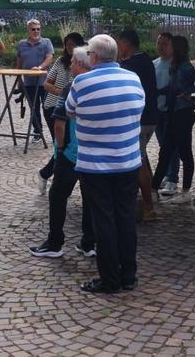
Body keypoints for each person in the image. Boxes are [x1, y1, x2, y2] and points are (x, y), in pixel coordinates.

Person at [67, 34, 144, 294]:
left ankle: (110, 279)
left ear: (94, 56)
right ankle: (129, 275)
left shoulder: (82, 82)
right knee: (126, 218)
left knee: (104, 221)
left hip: (95, 166)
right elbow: (139, 108)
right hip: (128, 162)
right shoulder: (133, 78)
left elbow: (70, 110)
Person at [29, 46, 96, 258]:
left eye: (73, 61)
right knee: (89, 198)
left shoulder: (71, 87)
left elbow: (60, 123)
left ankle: (54, 243)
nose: (71, 64)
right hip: (91, 152)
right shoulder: (98, 85)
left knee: (58, 196)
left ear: (80, 64)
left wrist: (59, 148)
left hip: (70, 153)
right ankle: (89, 243)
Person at [152, 35, 195, 203]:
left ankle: (185, 191)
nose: (165, 47)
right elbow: (171, 87)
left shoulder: (185, 67)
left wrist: (187, 92)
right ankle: (154, 189)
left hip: (183, 114)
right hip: (172, 113)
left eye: (169, 45)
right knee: (165, 152)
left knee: (184, 152)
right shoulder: (175, 66)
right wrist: (158, 91)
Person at [116, 29, 158, 220]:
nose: (117, 48)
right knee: (141, 156)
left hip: (139, 120)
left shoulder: (130, 65)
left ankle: (148, 206)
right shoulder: (146, 60)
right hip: (149, 117)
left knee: (138, 160)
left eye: (118, 44)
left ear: (126, 44)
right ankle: (150, 195)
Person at [36, 33, 85, 195]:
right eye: (67, 44)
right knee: (61, 144)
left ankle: (48, 174)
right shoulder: (61, 61)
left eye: (73, 44)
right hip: (54, 107)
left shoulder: (85, 62)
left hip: (74, 111)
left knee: (66, 146)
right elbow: (47, 84)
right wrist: (62, 93)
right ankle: (57, 179)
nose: (70, 47)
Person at [16, 18, 54, 143]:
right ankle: (37, 132)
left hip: (45, 82)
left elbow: (49, 58)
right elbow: (19, 62)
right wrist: (19, 79)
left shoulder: (46, 42)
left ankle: (54, 133)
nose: (36, 31)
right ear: (28, 30)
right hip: (29, 82)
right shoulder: (22, 44)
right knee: (33, 108)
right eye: (33, 29)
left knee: (48, 107)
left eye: (38, 29)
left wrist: (40, 67)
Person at [153, 32, 179, 195]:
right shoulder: (154, 64)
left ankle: (172, 178)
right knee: (162, 145)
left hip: (172, 111)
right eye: (159, 43)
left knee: (172, 146)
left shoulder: (176, 65)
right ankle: (166, 173)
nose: (161, 47)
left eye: (165, 44)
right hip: (157, 110)